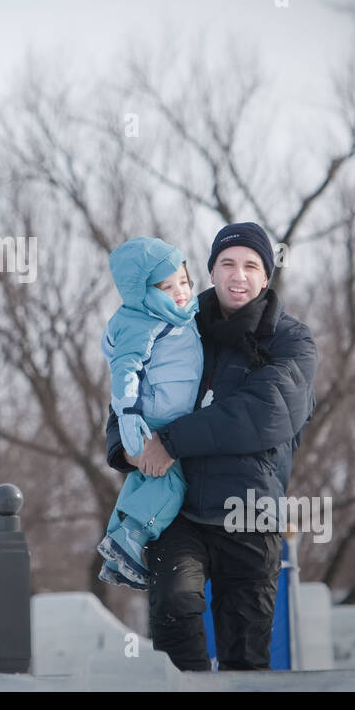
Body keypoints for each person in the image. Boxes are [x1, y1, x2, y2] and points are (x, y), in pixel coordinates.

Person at [105, 222, 317, 671]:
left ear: (265, 276)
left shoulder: (290, 341)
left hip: (250, 513)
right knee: (174, 616)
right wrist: (125, 447)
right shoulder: (173, 322)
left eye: (250, 265)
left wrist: (172, 440)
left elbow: (266, 413)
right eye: (227, 264)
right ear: (211, 271)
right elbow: (131, 392)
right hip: (179, 510)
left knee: (246, 657)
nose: (238, 275)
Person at [96, 237, 203, 590]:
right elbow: (126, 369)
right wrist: (126, 412)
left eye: (184, 282)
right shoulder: (144, 322)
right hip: (156, 415)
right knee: (172, 483)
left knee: (142, 480)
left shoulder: (180, 316)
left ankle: (116, 547)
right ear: (142, 292)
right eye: (167, 286)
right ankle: (132, 539)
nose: (180, 292)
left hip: (169, 411)